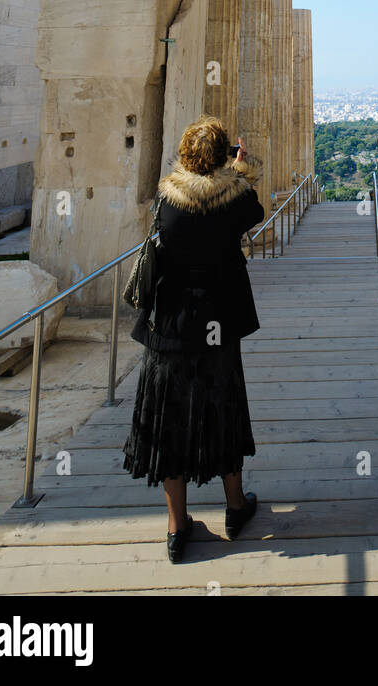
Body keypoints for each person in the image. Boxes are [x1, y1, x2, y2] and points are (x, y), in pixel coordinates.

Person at [122, 115, 264, 563]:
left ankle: (176, 524)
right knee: (223, 407)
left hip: (170, 325)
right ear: (224, 155)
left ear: (184, 155)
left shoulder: (168, 200)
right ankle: (236, 505)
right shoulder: (232, 199)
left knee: (168, 418)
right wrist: (241, 171)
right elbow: (254, 213)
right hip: (218, 323)